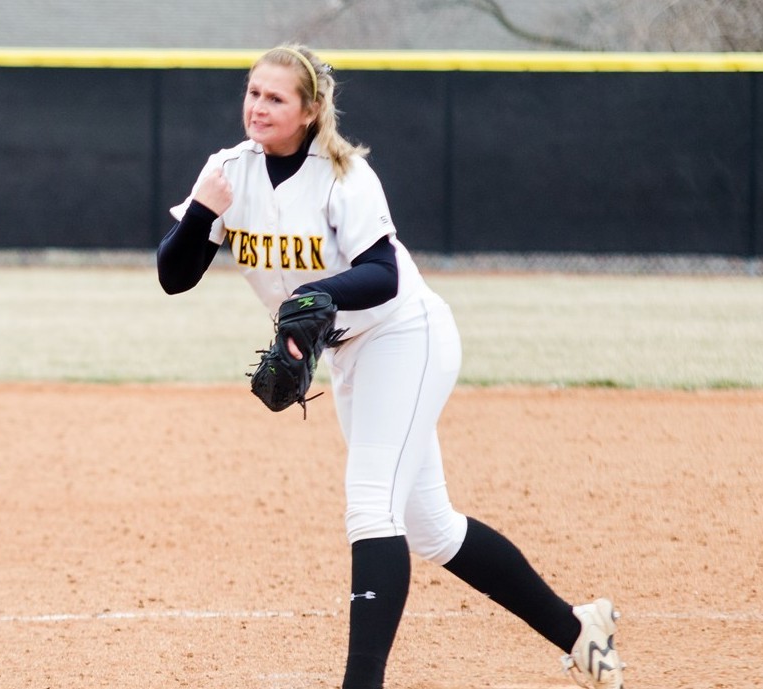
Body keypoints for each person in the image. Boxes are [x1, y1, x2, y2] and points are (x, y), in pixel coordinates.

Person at [156, 44, 626, 689]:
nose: (258, 107)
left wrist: (317, 294)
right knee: (433, 529)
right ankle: (578, 630)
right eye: (253, 92)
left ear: (309, 110)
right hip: (351, 354)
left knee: (371, 508)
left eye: (275, 98)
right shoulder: (228, 171)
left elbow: (383, 273)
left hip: (405, 336)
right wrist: (204, 210)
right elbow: (174, 276)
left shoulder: (344, 174)